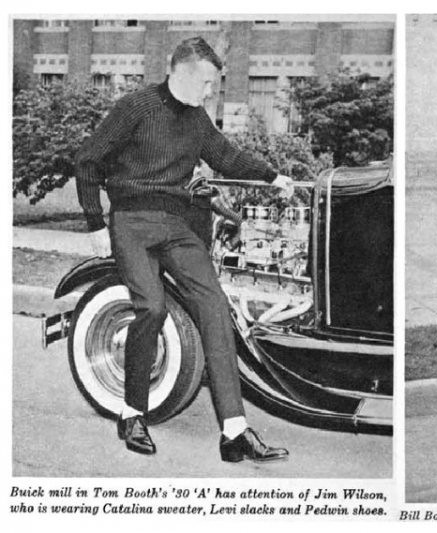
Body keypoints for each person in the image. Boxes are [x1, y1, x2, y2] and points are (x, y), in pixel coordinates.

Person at [75, 37, 292, 462]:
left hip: (175, 225)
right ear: (183, 72)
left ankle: (234, 432)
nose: (211, 91)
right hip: (131, 223)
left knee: (215, 305)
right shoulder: (136, 109)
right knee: (151, 308)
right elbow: (88, 159)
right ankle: (132, 411)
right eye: (208, 82)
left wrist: (272, 176)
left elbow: (226, 157)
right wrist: (94, 223)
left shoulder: (196, 119)